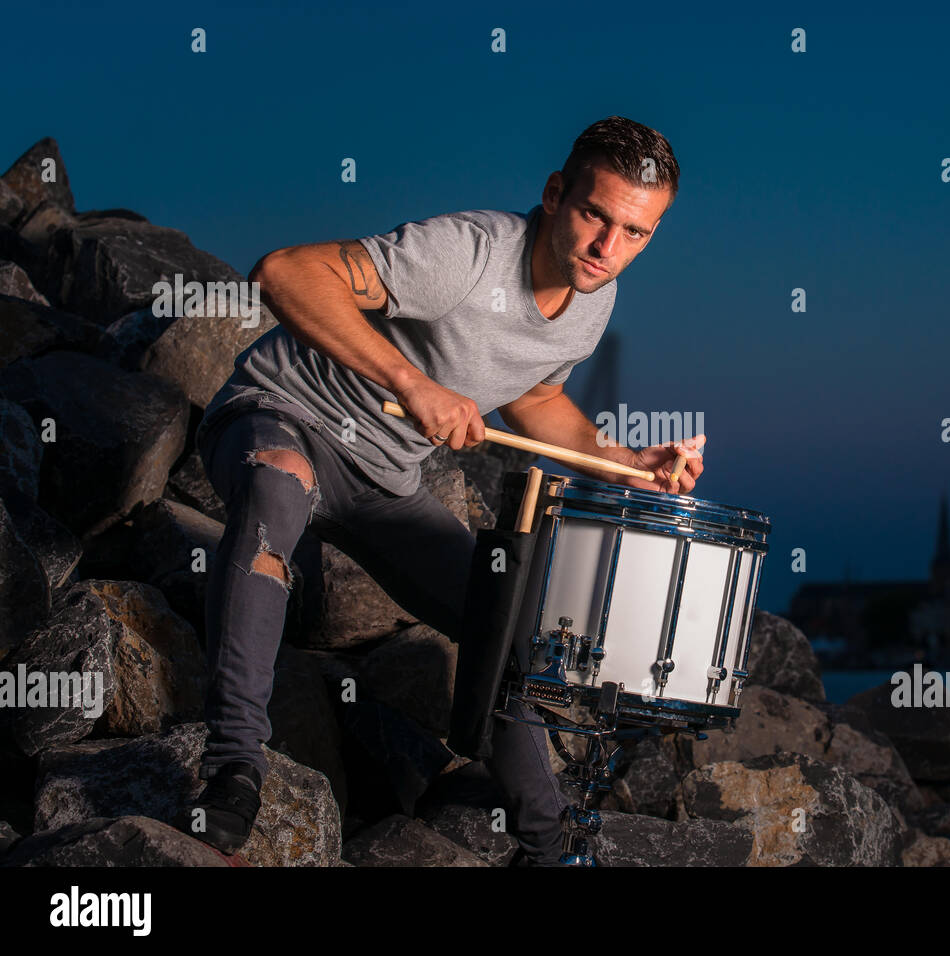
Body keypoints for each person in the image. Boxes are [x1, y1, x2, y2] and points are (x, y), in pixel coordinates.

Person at [177, 116, 703, 866]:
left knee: (497, 613)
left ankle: (548, 844)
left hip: (383, 479)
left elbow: (535, 397)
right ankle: (232, 769)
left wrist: (623, 458)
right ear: (556, 194)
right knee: (277, 488)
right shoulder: (468, 252)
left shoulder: (593, 300)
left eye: (635, 232)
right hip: (280, 415)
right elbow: (287, 270)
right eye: (594, 215)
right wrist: (411, 383)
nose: (606, 249)